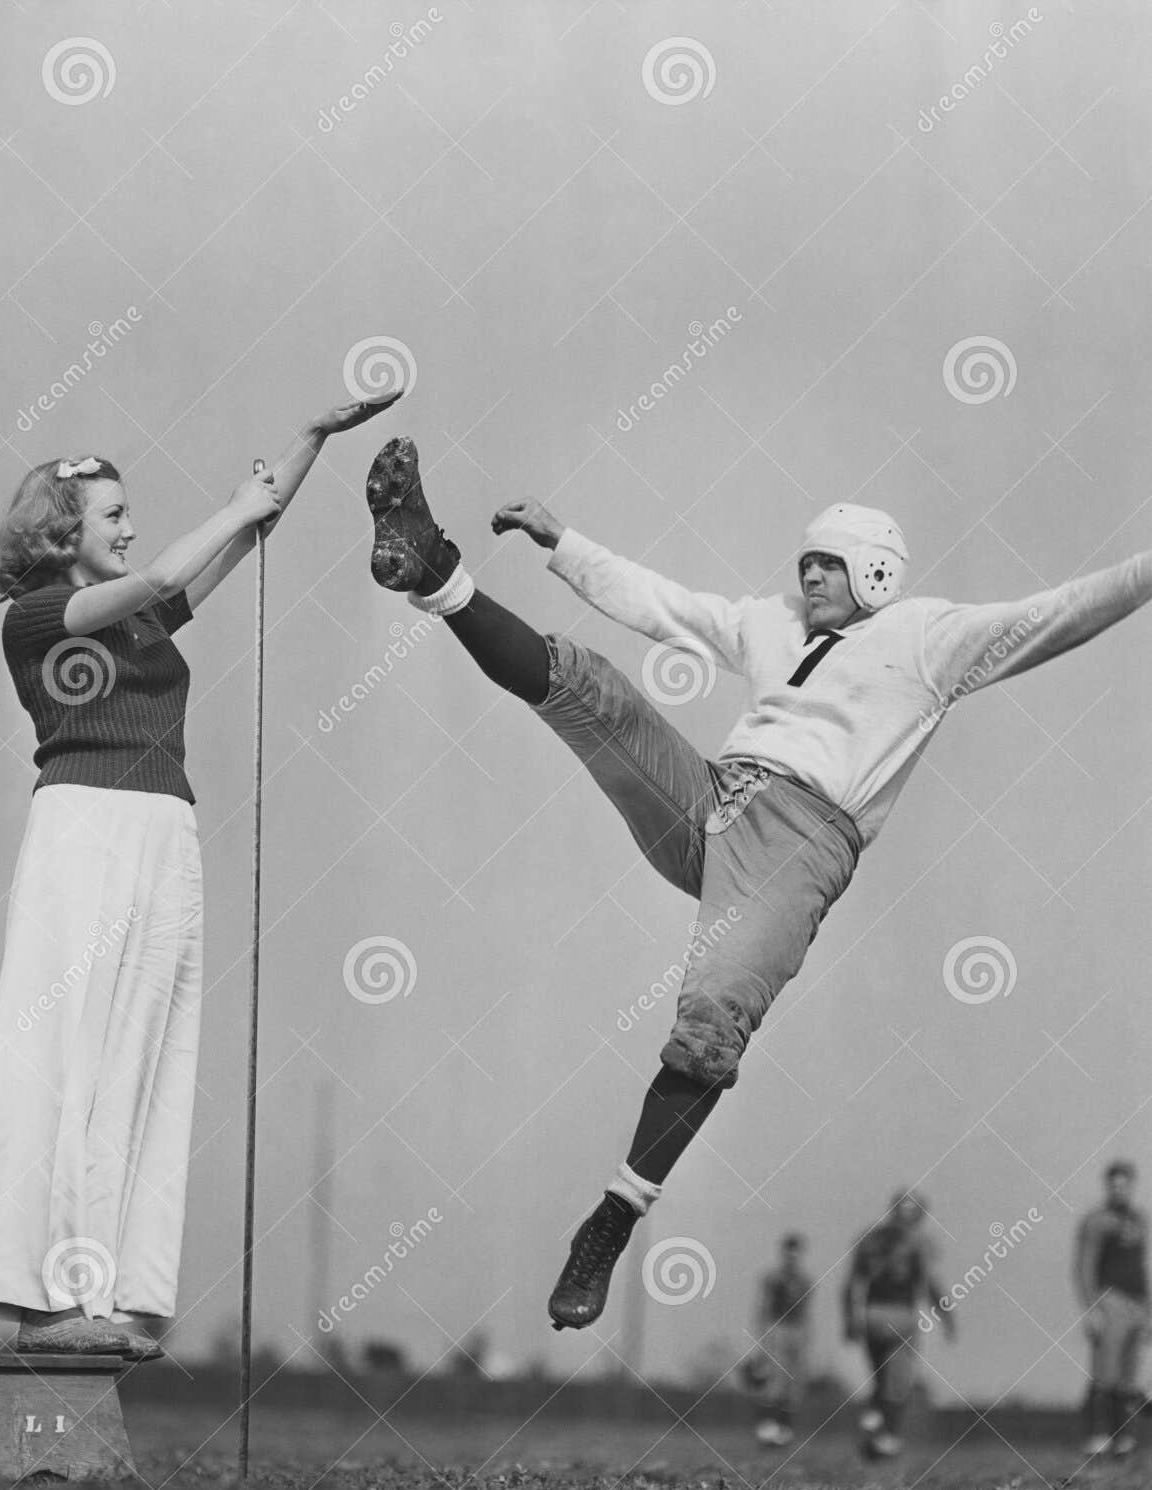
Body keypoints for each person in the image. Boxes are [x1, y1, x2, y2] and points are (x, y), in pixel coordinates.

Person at [362, 433, 1152, 1333]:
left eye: (829, 565)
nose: (809, 576)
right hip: (711, 802)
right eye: (806, 561)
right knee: (588, 685)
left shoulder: (927, 638)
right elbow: (666, 607)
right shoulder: (772, 621)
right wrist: (561, 542)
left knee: (708, 1025)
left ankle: (612, 1217)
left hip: (798, 844)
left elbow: (1058, 612)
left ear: (877, 576)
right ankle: (436, 574)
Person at [0, 389, 398, 1359]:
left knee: (139, 1064)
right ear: (66, 531)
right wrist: (232, 509)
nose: (130, 524)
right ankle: (42, 1293)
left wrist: (309, 434)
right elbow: (162, 573)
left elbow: (244, 532)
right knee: (69, 1058)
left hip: (163, 831)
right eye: (112, 511)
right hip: (85, 829)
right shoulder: (37, 619)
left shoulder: (140, 626)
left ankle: (102, 1290)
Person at [842, 1189, 953, 1457]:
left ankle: (873, 1422)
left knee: (880, 1378)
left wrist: (850, 1318)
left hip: (871, 1314)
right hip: (901, 1315)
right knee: (899, 1384)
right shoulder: (919, 1242)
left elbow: (851, 1284)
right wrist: (947, 1315)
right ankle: (887, 1435)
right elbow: (930, 1285)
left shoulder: (869, 1237)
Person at [1073, 1160, 1149, 1458]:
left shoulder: (1139, 1219)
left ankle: (1123, 1438)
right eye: (1114, 1184)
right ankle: (1098, 1435)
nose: (1119, 1189)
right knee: (1105, 1373)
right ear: (1108, 1186)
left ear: (1132, 1185)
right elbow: (1085, 1265)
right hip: (1110, 1300)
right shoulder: (1096, 1221)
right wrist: (1091, 1308)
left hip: (1137, 1303)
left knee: (1129, 1378)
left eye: (1124, 1184)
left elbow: (1143, 1265)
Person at [748, 1233, 812, 1447]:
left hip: (797, 1330)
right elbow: (764, 1307)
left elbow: (806, 1312)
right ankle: (766, 1425)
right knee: (773, 1379)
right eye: (788, 1252)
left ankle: (785, 1429)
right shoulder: (773, 1278)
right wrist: (763, 1335)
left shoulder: (805, 1281)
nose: (791, 1257)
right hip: (777, 1327)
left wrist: (806, 1336)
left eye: (795, 1252)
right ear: (783, 1253)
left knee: (792, 1383)